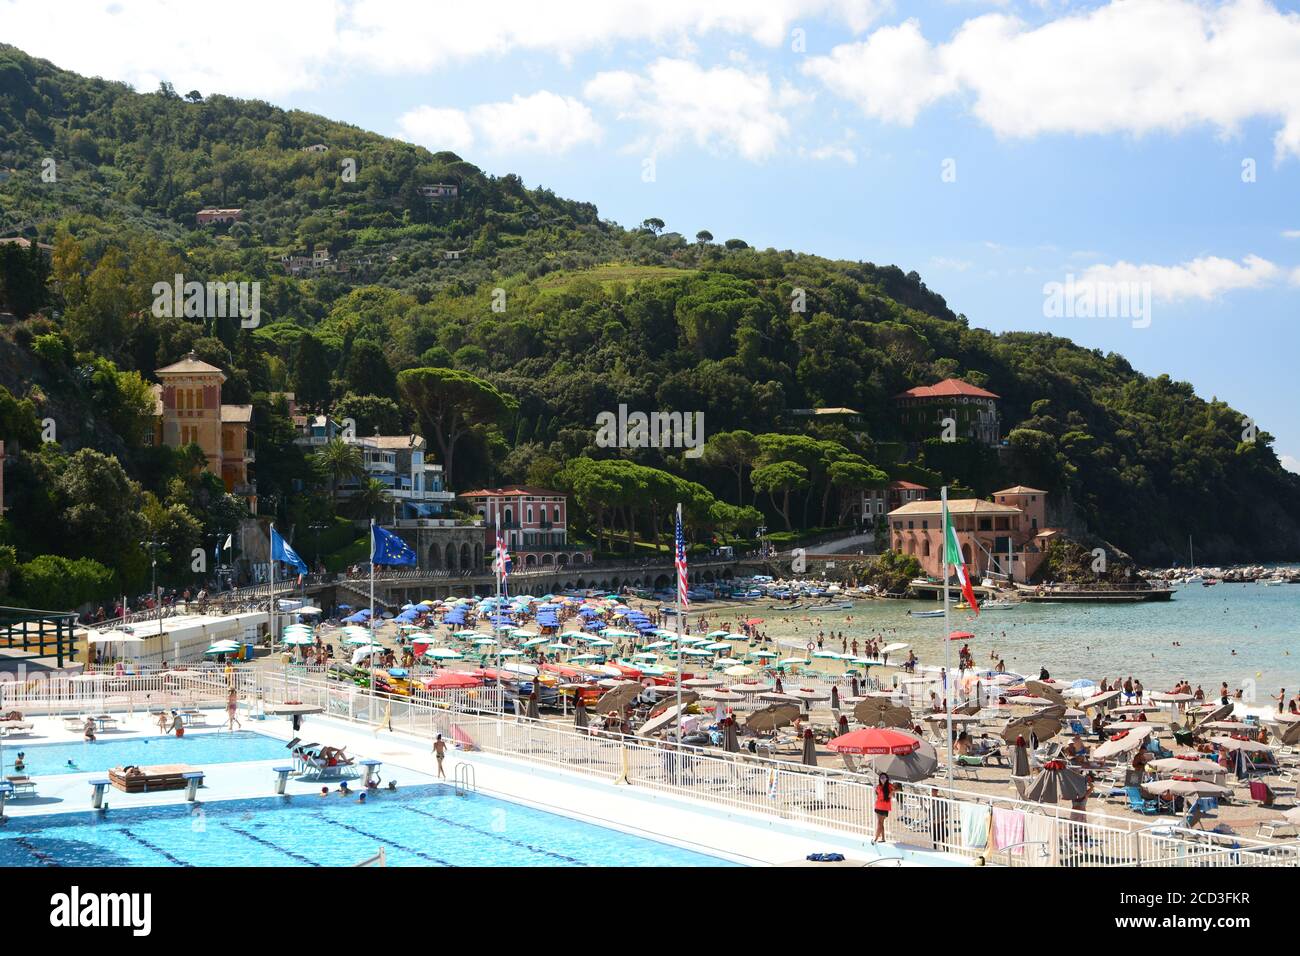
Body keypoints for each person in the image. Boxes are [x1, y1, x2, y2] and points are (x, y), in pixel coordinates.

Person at [873, 773, 893, 844]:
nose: (882, 779)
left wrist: (892, 792)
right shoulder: (878, 787)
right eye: (881, 778)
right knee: (880, 823)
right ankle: (882, 838)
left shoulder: (890, 786)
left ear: (887, 778)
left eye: (884, 777)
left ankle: (875, 838)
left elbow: (898, 788)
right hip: (878, 806)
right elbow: (878, 794)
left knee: (880, 823)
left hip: (885, 807)